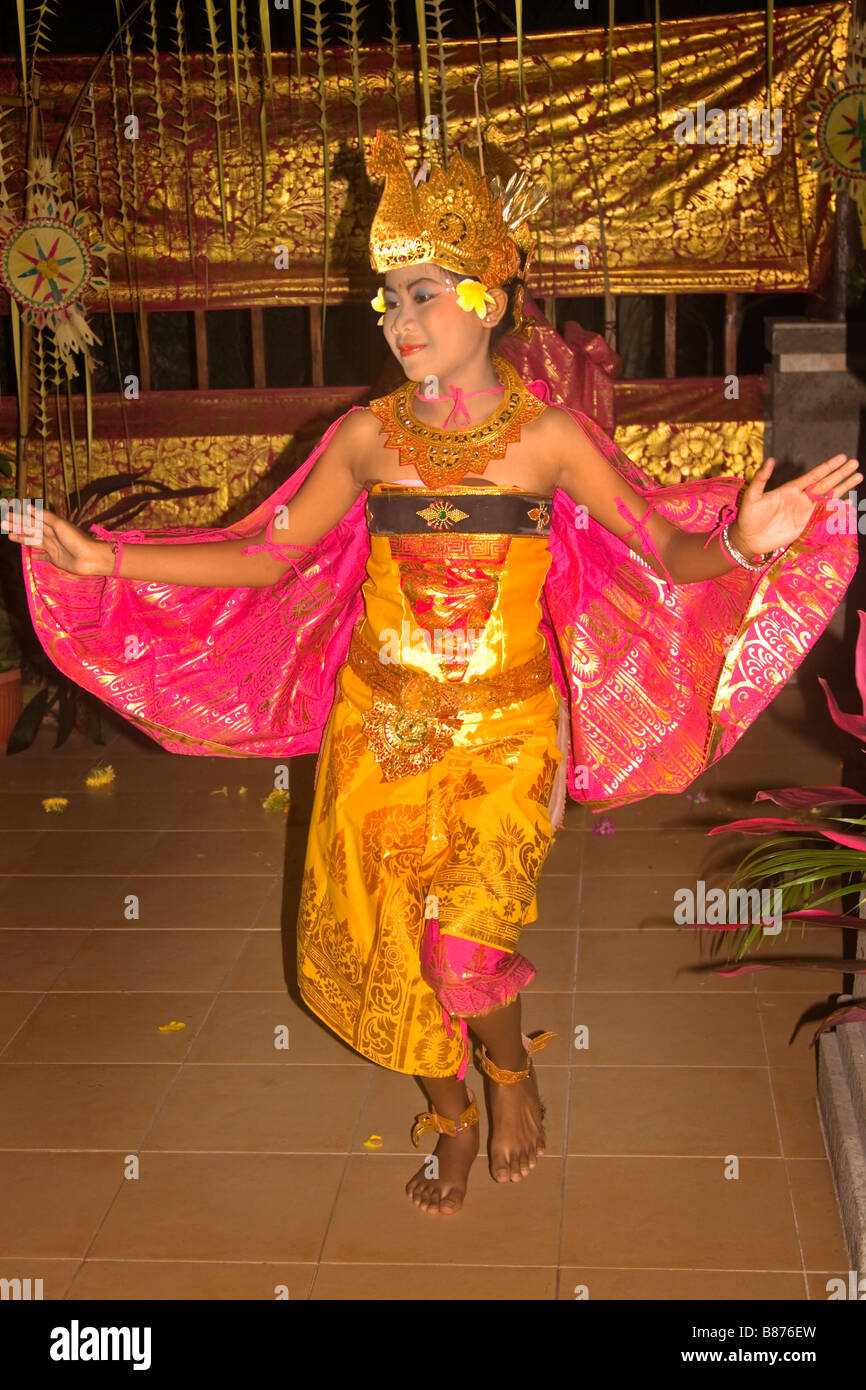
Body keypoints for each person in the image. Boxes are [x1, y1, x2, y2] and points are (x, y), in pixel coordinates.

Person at [4, 129, 860, 1216]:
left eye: (421, 296)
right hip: (376, 732)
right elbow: (267, 552)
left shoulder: (547, 439)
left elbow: (664, 553)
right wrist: (106, 556)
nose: (400, 324)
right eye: (385, 303)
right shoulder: (366, 436)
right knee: (387, 956)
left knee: (465, 949)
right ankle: (447, 1117)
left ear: (487, 298)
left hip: (504, 734)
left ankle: (509, 1083)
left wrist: (745, 539)